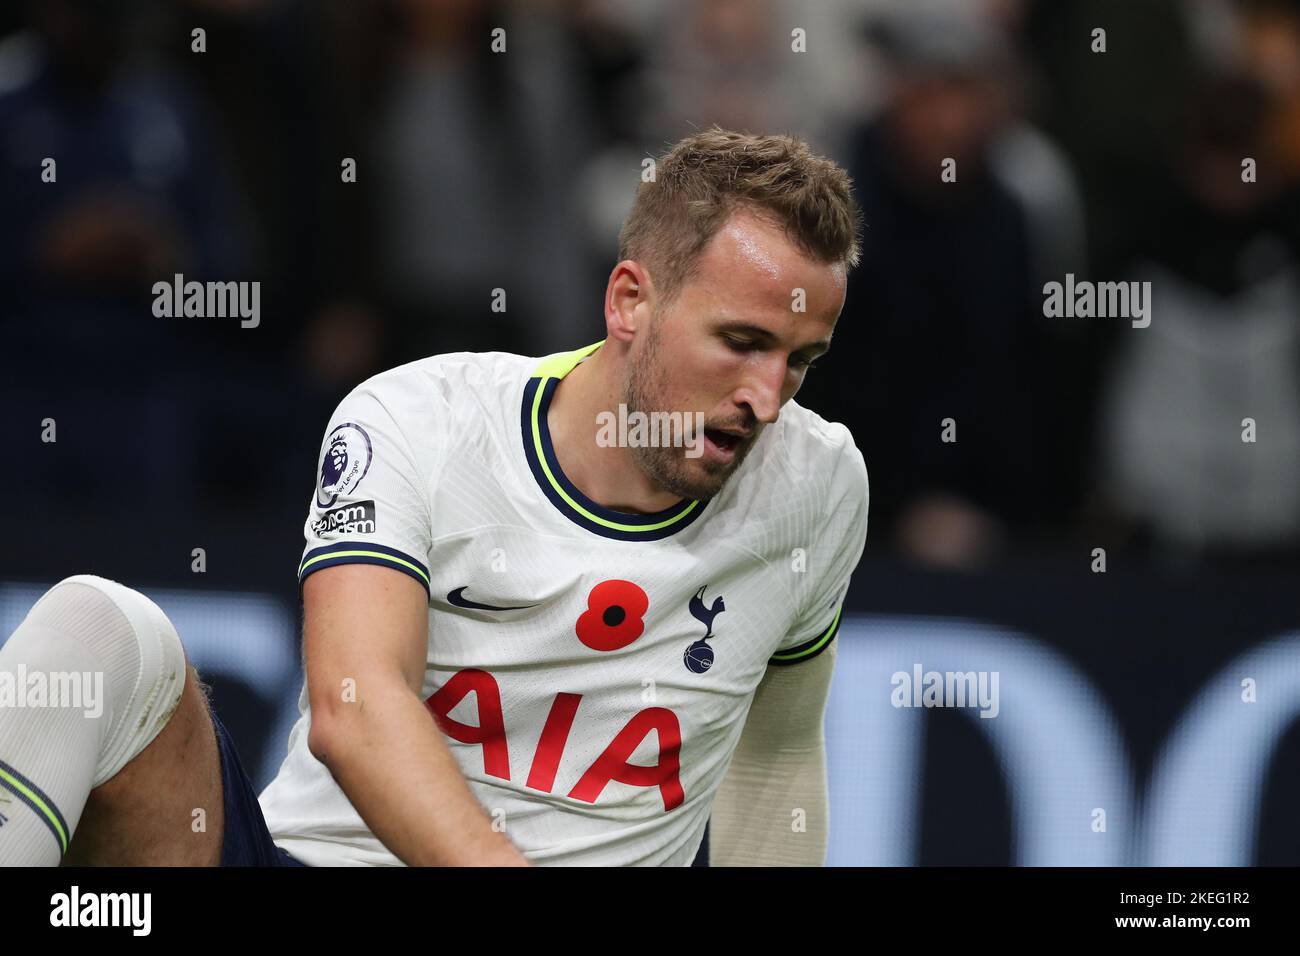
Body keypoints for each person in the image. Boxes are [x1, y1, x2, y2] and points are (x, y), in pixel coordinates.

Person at [0, 128, 869, 867]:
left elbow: (777, 757)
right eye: (742, 342)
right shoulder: (420, 419)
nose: (768, 394)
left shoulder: (818, 484)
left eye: (801, 359)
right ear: (630, 302)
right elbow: (354, 705)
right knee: (94, 628)